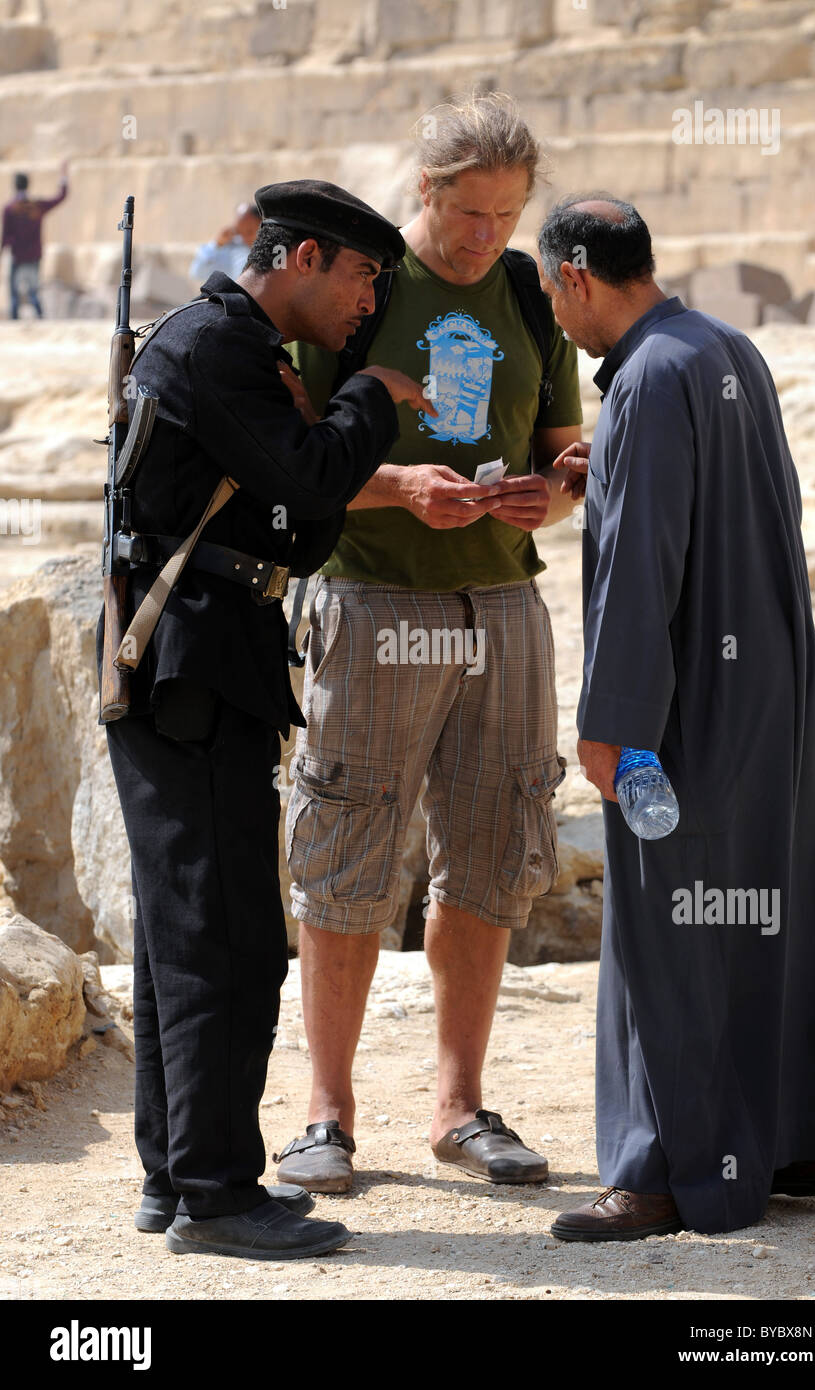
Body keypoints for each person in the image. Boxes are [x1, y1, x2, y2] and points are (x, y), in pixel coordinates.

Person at [99, 180, 432, 1261]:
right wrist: (371, 396)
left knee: (181, 934)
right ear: (300, 258)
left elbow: (296, 523)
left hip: (202, 661)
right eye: (362, 278)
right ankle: (217, 1194)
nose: (367, 301)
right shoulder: (221, 351)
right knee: (227, 938)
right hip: (195, 669)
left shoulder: (223, 346)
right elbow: (308, 480)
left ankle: (175, 1174)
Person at [274, 93, 584, 1196]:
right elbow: (291, 458)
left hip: (501, 607)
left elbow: (562, 457)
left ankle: (459, 1107)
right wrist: (400, 486)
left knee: (493, 847)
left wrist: (540, 499)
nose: (483, 237)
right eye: (466, 213)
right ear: (425, 192)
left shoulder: (523, 294)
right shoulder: (361, 293)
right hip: (370, 604)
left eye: (504, 216)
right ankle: (326, 1113)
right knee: (347, 847)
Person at [536, 194, 815, 1240]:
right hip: (771, 692)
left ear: (577, 276)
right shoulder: (722, 349)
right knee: (771, 901)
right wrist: (610, 469)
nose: (553, 314)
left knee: (667, 920)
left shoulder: (641, 378)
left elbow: (643, 568)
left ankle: (662, 1171)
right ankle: (794, 1139)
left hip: (687, 705)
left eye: (550, 291)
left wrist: (612, 721)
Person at [1, 163, 68, 319]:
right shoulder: (36, 206)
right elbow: (60, 197)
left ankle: (15, 320)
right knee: (33, 289)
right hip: (34, 254)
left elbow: (5, 235)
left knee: (14, 291)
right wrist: (64, 177)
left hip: (17, 255)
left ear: (15, 186)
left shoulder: (9, 209)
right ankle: (39, 317)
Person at [188, 201, 261, 284]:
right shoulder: (230, 248)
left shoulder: (271, 250)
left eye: (249, 231)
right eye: (239, 231)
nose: (243, 237)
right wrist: (217, 244)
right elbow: (197, 273)